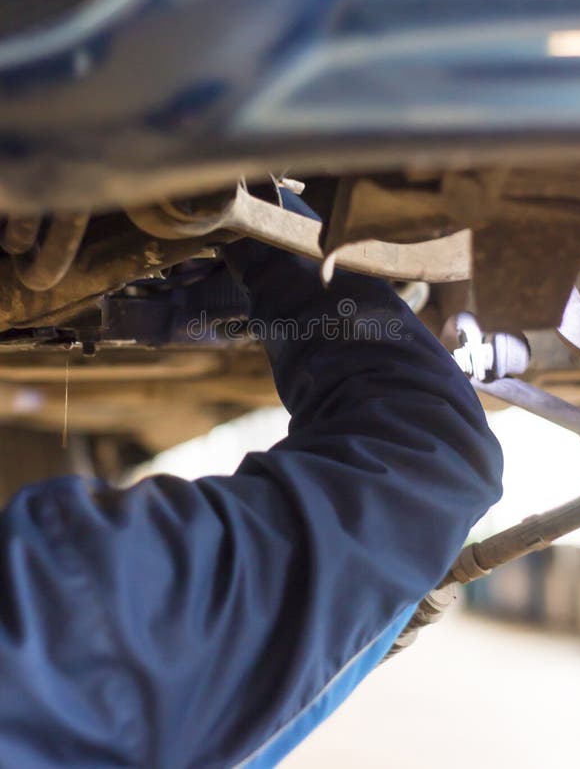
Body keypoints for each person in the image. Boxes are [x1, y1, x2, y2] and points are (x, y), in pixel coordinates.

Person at [0, 191, 503, 768]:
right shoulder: (69, 659)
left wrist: (265, 220)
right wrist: (263, 219)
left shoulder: (71, 660)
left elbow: (426, 459)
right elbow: (424, 457)